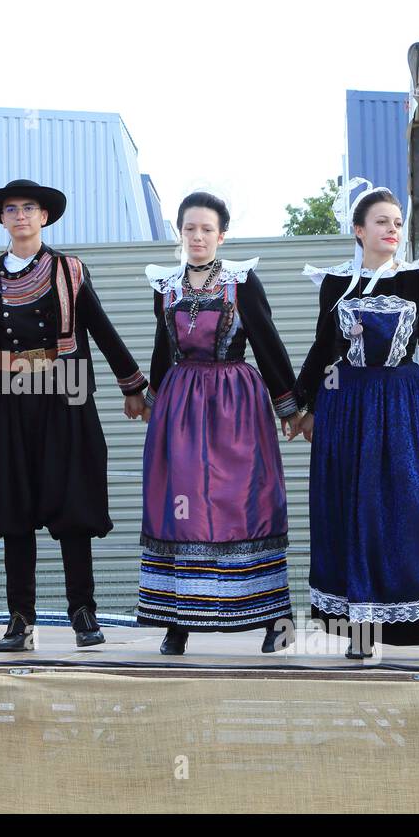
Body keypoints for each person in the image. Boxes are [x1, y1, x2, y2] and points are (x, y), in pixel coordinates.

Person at [294, 181, 419, 658]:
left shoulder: (417, 280)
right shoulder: (336, 284)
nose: (392, 229)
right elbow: (324, 349)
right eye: (382, 222)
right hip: (349, 406)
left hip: (404, 403)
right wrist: (302, 403)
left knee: (416, 508)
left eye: (398, 223)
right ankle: (361, 629)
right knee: (356, 512)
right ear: (359, 230)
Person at [0, 179, 148, 651]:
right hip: (10, 400)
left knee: (71, 507)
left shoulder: (69, 270)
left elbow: (101, 328)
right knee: (14, 511)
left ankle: (82, 611)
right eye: (12, 209)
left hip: (64, 397)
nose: (21, 215)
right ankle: (19, 618)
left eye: (30, 208)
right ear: (2, 219)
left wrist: (132, 387)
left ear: (44, 217)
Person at [137, 193, 303, 655]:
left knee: (244, 502)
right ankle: (178, 619)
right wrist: (149, 396)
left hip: (236, 405)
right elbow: (160, 347)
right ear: (180, 232)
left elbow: (268, 343)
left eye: (206, 229)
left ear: (221, 235)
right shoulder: (165, 286)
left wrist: (289, 404)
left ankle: (273, 616)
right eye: (190, 228)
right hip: (181, 406)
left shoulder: (241, 282)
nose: (198, 236)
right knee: (182, 506)